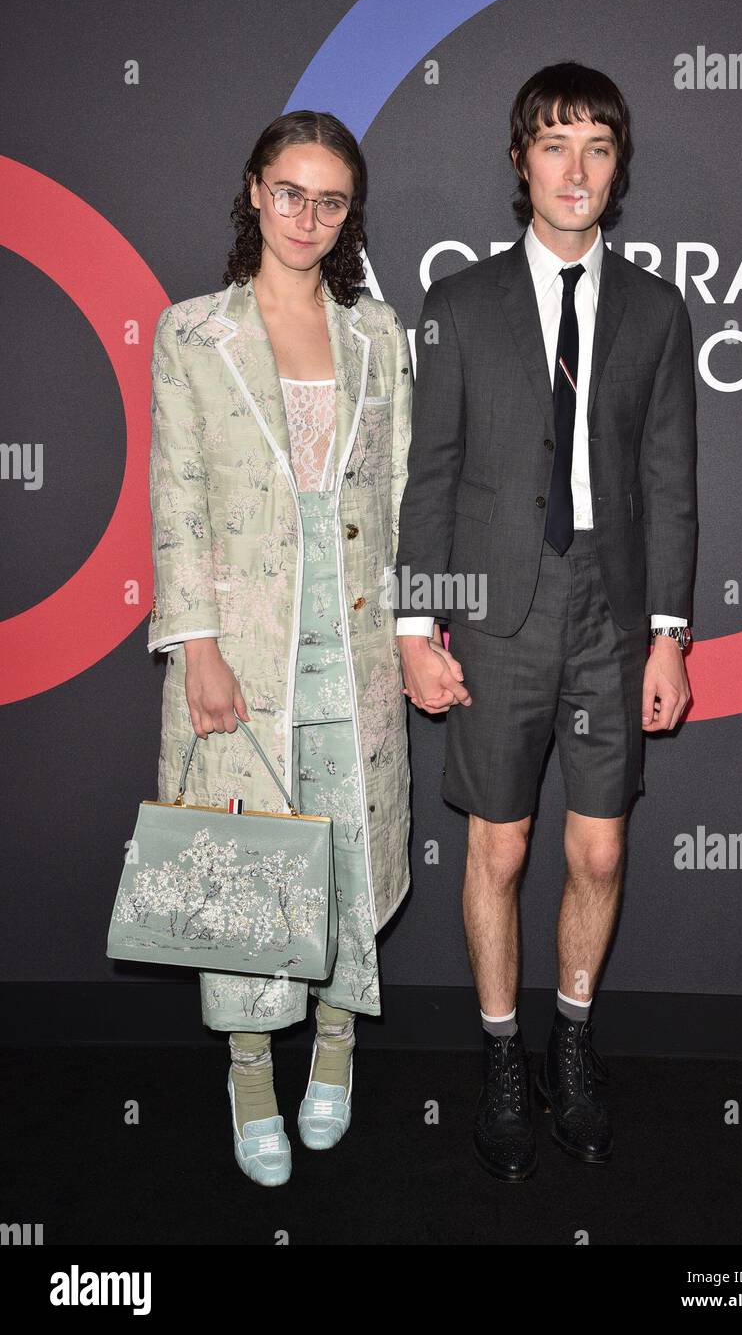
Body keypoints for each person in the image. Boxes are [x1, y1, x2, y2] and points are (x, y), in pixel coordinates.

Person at [394, 61, 697, 1181]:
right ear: (520, 160)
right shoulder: (460, 303)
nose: (576, 168)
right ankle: (500, 1054)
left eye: (598, 147)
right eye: (555, 143)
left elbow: (667, 481)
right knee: (500, 844)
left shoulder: (656, 308)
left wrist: (669, 629)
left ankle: (570, 1036)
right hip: (494, 616)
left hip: (612, 620)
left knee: (599, 845)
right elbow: (430, 478)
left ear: (617, 171)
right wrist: (416, 626)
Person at [147, 111, 413, 1186]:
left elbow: (398, 498)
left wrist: (412, 635)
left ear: (351, 214)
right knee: (249, 865)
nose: (306, 216)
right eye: (289, 191)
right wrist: (196, 645)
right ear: (254, 191)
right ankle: (250, 1069)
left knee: (347, 850)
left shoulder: (378, 334)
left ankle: (337, 1053)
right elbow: (180, 499)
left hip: (353, 646)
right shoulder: (191, 332)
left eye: (331, 199)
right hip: (241, 645)